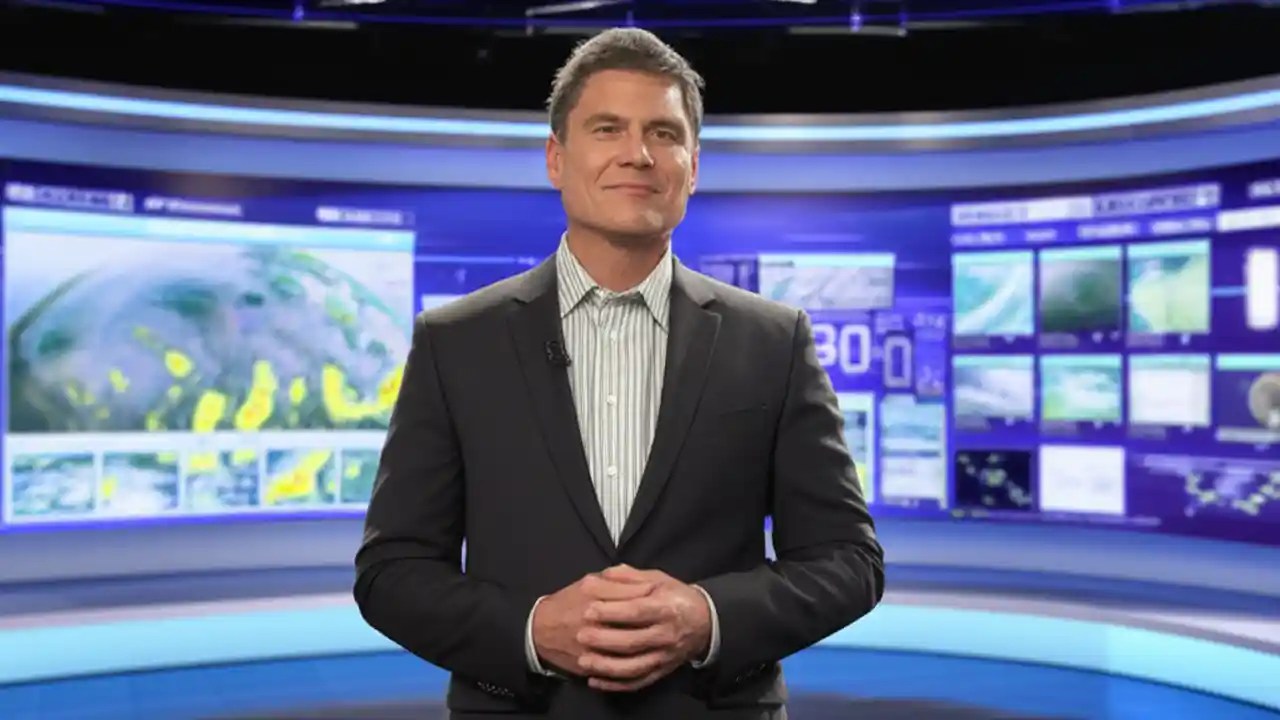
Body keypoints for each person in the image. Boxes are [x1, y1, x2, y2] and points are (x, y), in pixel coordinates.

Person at [354, 26, 885, 720]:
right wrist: (532, 632)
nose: (638, 154)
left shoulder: (773, 341)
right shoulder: (455, 342)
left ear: (693, 168)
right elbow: (391, 573)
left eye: (664, 134)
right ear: (556, 158)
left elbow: (848, 561)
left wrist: (706, 617)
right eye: (608, 129)